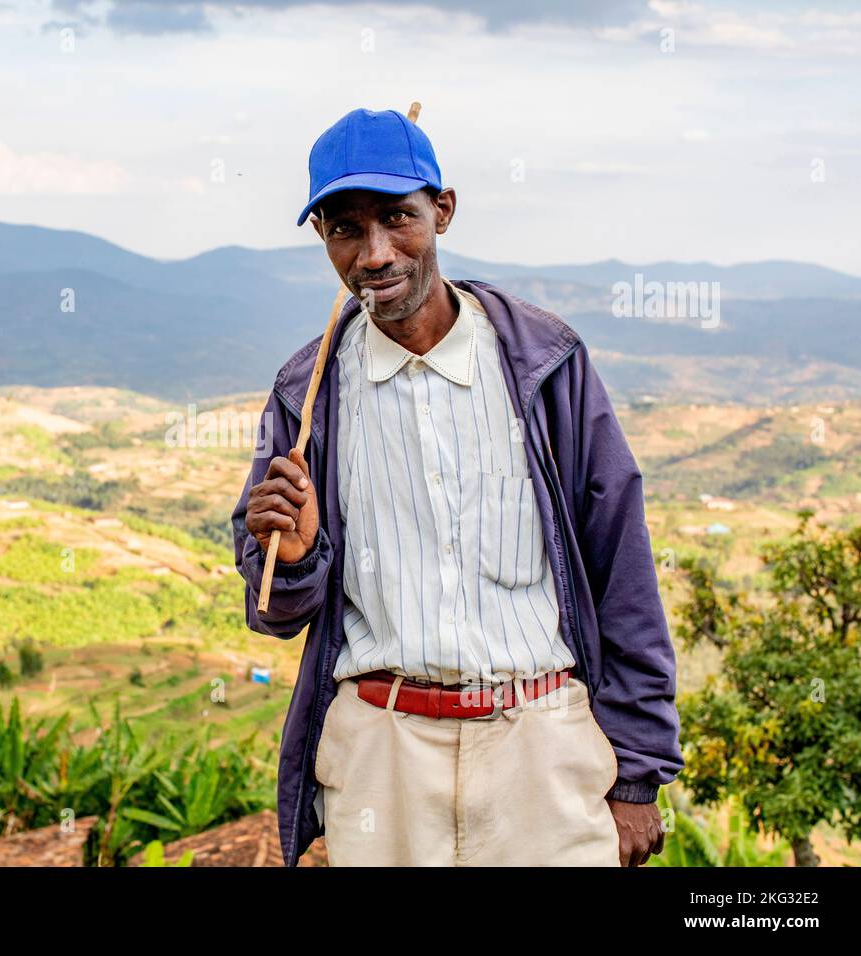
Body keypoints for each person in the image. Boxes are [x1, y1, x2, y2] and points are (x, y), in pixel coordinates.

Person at [231, 107, 683, 866]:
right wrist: (295, 556)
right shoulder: (306, 400)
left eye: (397, 218)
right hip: (382, 755)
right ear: (323, 239)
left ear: (442, 210)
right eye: (345, 228)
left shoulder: (545, 365)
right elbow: (273, 612)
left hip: (542, 749)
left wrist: (637, 776)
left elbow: (621, 566)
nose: (374, 254)